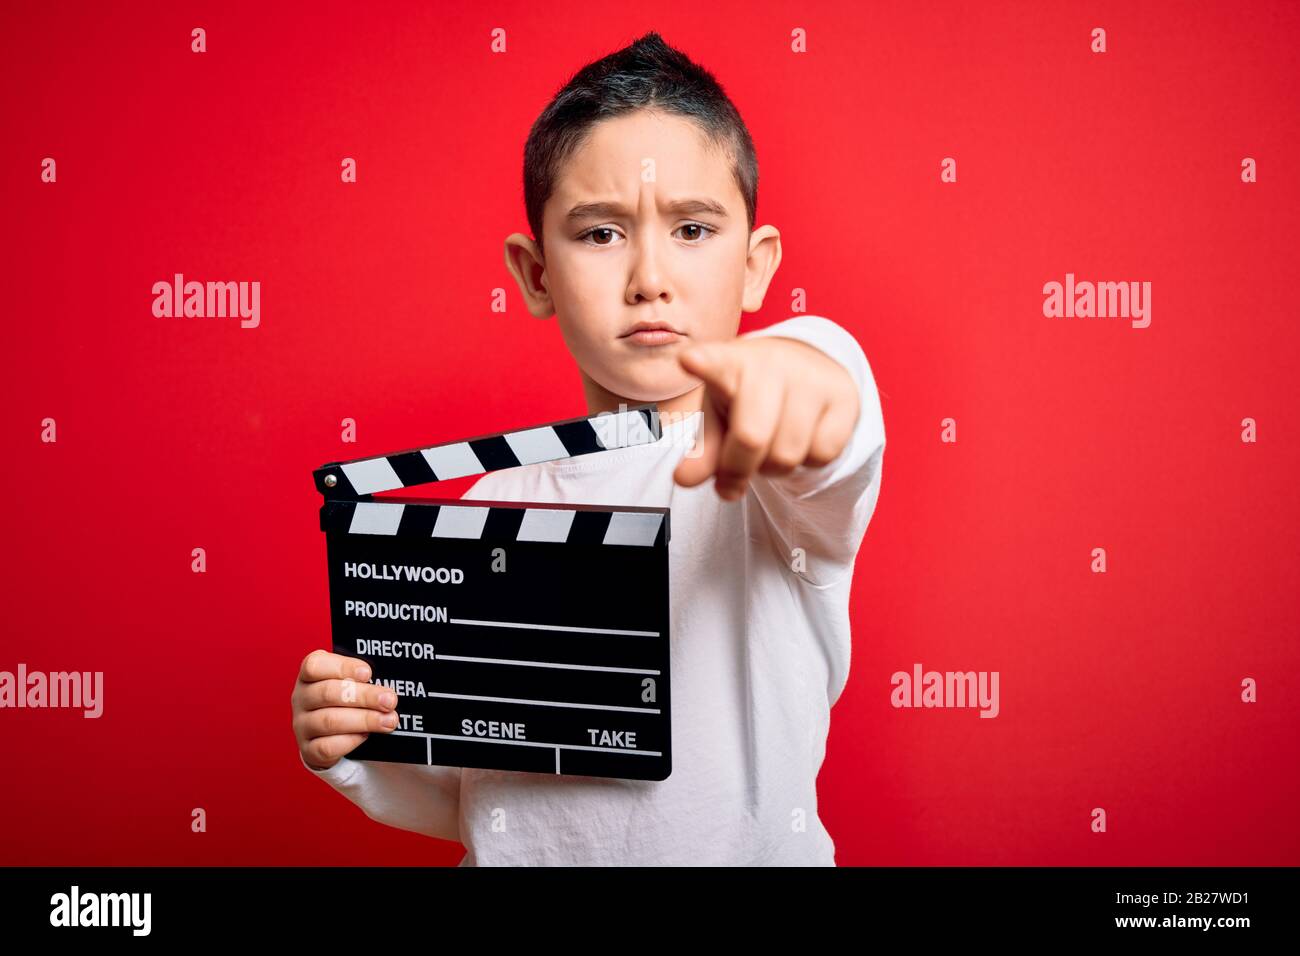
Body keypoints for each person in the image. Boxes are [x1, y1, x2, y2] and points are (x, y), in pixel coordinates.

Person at [291, 31, 886, 865]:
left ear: (756, 268)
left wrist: (806, 370)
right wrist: (353, 728)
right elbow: (473, 784)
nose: (649, 275)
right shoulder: (487, 515)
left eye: (692, 229)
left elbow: (834, 415)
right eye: (601, 234)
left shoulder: (770, 480)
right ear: (536, 274)